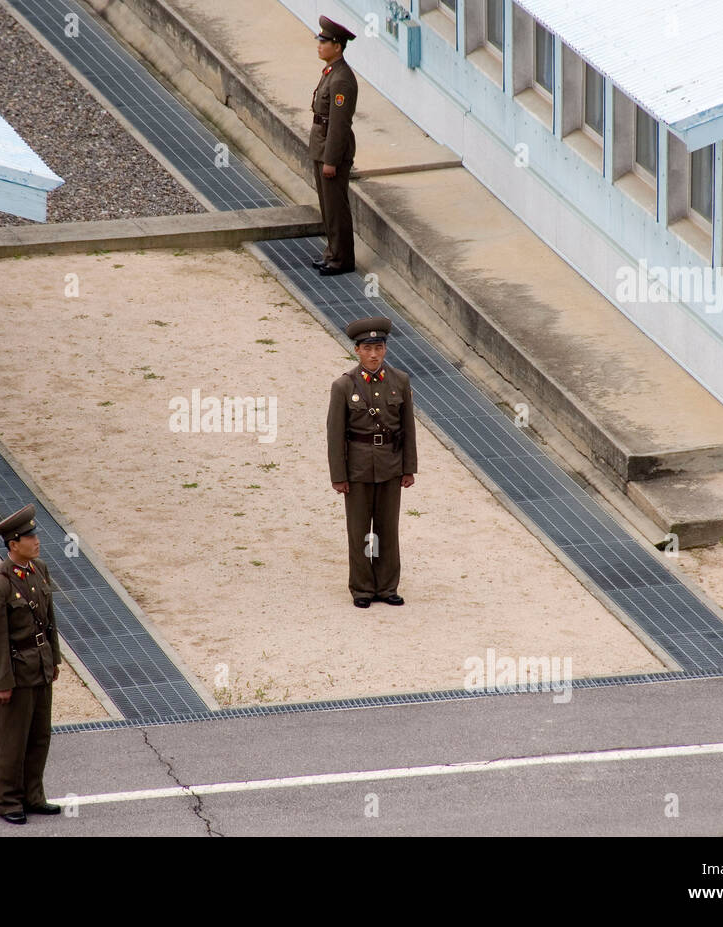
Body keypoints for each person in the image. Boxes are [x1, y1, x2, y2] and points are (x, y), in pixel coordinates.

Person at [0, 503, 62, 824]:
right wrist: (1, 682)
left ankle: (33, 795)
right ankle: (8, 800)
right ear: (14, 544)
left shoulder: (38, 569)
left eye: (35, 534)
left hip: (39, 666)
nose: (36, 540)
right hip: (16, 671)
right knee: (12, 740)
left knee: (39, 735)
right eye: (30, 536)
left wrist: (54, 659)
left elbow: (49, 621)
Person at [327, 316, 417, 607]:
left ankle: (388, 587)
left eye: (379, 347)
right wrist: (338, 475)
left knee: (387, 529)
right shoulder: (343, 386)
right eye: (368, 348)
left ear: (386, 349)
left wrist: (408, 468)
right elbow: (335, 434)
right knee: (359, 530)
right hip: (358, 468)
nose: (374, 354)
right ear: (357, 351)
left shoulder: (400, 381)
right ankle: (363, 588)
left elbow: (407, 428)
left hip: (390, 466)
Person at [309, 15, 358, 277]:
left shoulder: (341, 80)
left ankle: (342, 259)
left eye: (323, 41)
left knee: (336, 207)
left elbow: (339, 125)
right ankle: (332, 252)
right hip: (321, 145)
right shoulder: (331, 72)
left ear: (337, 45)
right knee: (327, 206)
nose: (319, 44)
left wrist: (331, 160)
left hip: (331, 150)